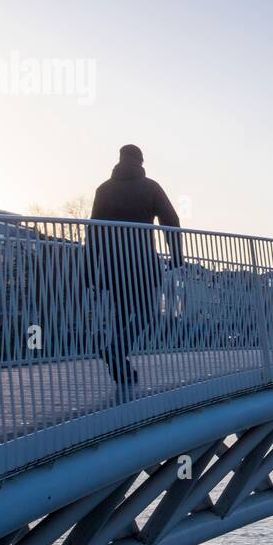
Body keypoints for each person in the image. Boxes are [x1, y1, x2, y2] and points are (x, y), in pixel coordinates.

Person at [88, 144, 183, 385]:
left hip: (113, 264)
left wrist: (90, 268)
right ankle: (116, 351)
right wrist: (176, 255)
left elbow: (94, 230)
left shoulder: (104, 190)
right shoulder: (150, 187)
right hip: (141, 262)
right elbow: (170, 220)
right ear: (140, 162)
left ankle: (122, 368)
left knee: (122, 314)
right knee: (146, 314)